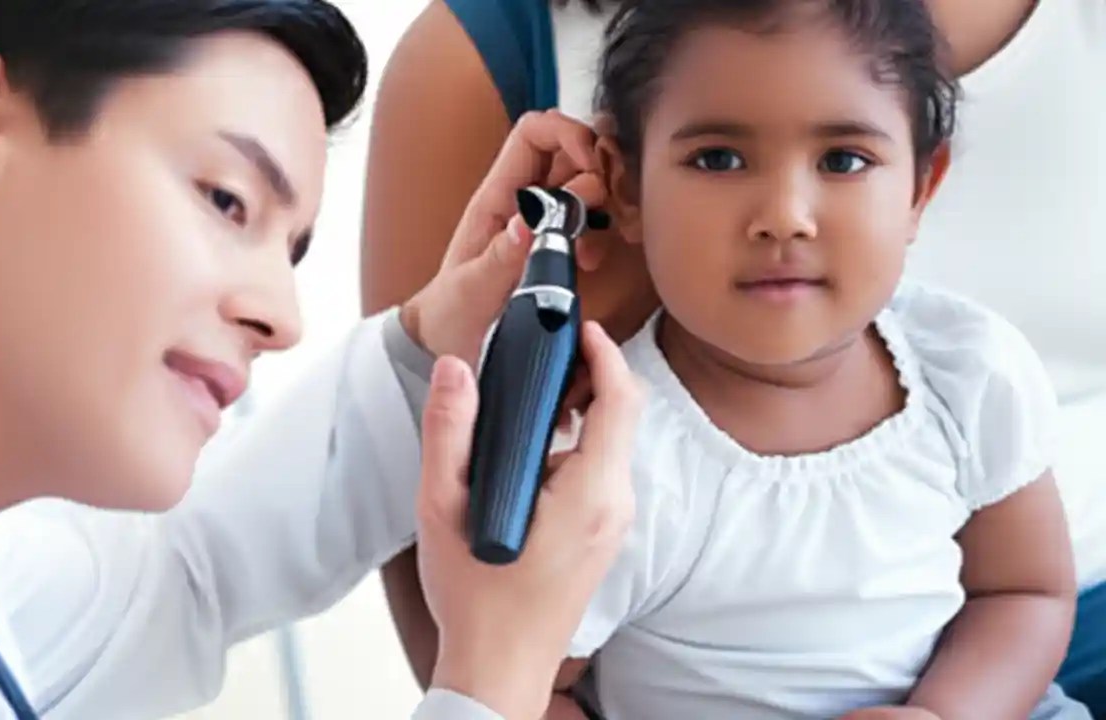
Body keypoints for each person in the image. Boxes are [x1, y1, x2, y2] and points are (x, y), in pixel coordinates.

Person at [0, 1, 645, 718]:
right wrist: (492, 680)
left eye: (288, 254)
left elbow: (196, 571)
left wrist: (437, 343)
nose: (282, 319)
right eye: (227, 200)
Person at [363, 0, 1106, 713]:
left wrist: (943, 715)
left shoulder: (967, 372)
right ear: (625, 187)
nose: (784, 214)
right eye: (718, 158)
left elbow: (1024, 593)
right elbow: (518, 687)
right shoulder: (603, 464)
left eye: (843, 160)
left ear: (921, 187)